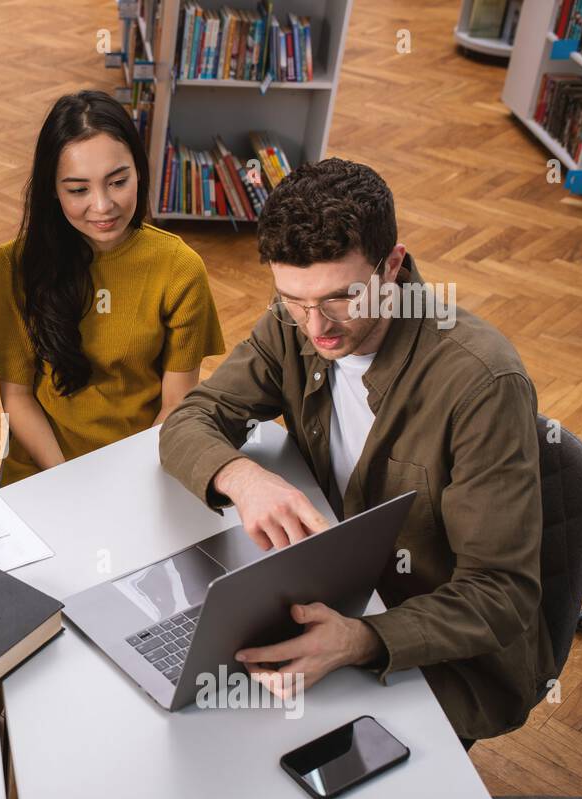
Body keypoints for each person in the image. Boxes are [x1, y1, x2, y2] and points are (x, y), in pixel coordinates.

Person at [159, 158, 556, 745]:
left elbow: (501, 593)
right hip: (333, 591)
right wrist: (243, 477)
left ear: (392, 265)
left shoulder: (482, 384)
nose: (316, 327)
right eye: (293, 298)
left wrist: (361, 639)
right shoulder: (294, 321)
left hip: (434, 650)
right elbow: (188, 420)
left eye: (342, 297)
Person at [0, 90, 223, 486]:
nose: (103, 206)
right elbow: (17, 399)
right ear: (52, 192)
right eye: (78, 190)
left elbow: (175, 402)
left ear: (139, 171)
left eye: (118, 182)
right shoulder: (17, 265)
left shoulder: (179, 267)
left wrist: (126, 480)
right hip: (42, 472)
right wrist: (69, 482)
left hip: (143, 467)